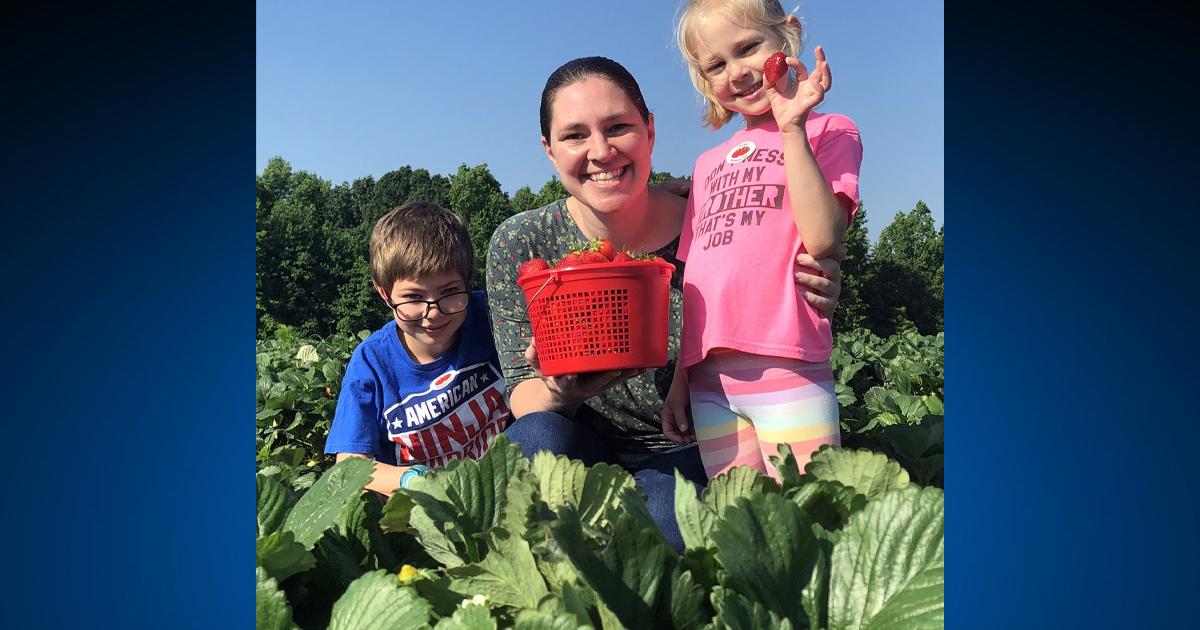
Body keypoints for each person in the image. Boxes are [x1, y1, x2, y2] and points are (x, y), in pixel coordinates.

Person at [485, 56, 844, 552]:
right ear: (548, 150)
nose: (601, 151)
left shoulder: (715, 220)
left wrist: (818, 279)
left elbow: (789, 254)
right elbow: (523, 396)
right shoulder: (522, 243)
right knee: (533, 443)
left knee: (662, 520)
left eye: (618, 127)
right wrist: (564, 391)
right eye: (574, 135)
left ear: (650, 131)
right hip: (579, 443)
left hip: (688, 446)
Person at [671, 0, 863, 480]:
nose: (736, 72)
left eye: (748, 47)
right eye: (716, 65)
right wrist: (680, 378)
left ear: (787, 36)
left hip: (787, 361)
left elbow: (824, 239)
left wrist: (792, 125)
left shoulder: (828, 130)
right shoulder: (706, 165)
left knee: (813, 517)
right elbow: (694, 283)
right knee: (741, 527)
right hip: (708, 382)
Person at [325, 202, 513, 495]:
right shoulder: (372, 362)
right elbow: (349, 464)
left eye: (450, 292)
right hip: (420, 508)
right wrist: (410, 480)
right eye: (413, 296)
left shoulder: (490, 316)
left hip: (502, 486)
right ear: (384, 293)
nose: (433, 312)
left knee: (546, 430)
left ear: (469, 281)